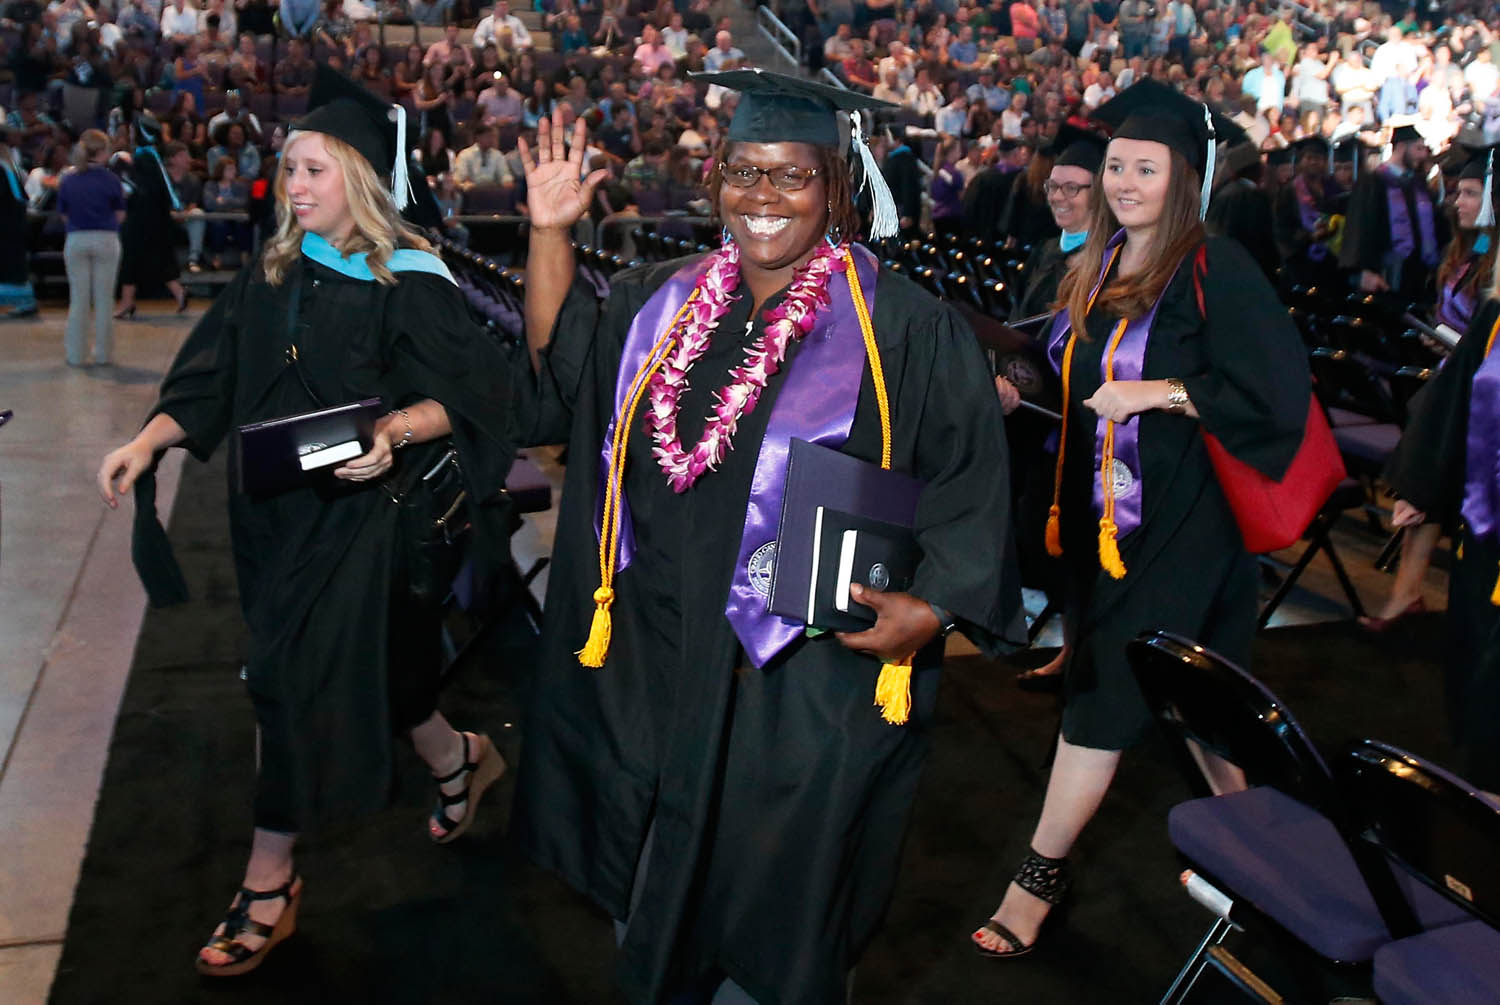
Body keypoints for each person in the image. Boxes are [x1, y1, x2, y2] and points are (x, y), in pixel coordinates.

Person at [514, 69, 1023, 1002]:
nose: (763, 198)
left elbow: (970, 484)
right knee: (654, 872)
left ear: (835, 187)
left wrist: (936, 607)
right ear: (714, 182)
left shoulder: (903, 330)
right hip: (659, 656)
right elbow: (561, 382)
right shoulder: (655, 305)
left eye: (791, 177)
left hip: (799, 678)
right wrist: (549, 231)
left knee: (779, 906)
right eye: (744, 173)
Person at [96, 67, 516, 978]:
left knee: (282, 683)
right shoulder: (274, 271)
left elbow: (485, 398)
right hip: (273, 520)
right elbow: (209, 376)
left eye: (315, 170)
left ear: (360, 176)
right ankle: (460, 759)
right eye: (290, 168)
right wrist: (151, 440)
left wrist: (398, 427)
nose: (295, 186)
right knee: (393, 675)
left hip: (367, 523)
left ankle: (270, 881)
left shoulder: (408, 278)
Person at [972, 80, 1312, 958]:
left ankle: (1036, 877)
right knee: (1193, 693)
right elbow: (1075, 372)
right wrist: (1024, 388)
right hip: (1104, 522)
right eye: (1116, 164)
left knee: (1106, 690)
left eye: (1143, 168)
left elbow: (1274, 390)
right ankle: (1256, 846)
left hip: (1185, 520)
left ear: (1183, 179)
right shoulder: (1101, 262)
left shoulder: (1214, 267)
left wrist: (1157, 394)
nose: (1123, 180)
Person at [1382, 201, 1500, 793]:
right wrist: (1424, 483)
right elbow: (1459, 396)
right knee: (1482, 662)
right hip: (1489, 526)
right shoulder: (1496, 311)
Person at [1365, 146, 1500, 633]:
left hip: (1481, 399)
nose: (1456, 202)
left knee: (1429, 450)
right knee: (1426, 436)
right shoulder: (1473, 250)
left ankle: (1407, 595)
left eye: (1469, 193)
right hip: (1455, 382)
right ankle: (1405, 594)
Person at [1340, 123, 1445, 300]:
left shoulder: (1419, 185)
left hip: (1418, 275)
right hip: (1384, 274)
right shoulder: (1373, 181)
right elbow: (1359, 227)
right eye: (1418, 148)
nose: (1423, 155)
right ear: (1402, 147)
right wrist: (1364, 269)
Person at [59, 128, 125, 364]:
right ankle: (103, 354)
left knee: (78, 299)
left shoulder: (68, 179)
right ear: (103, 152)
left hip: (77, 238)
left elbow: (64, 215)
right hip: (106, 238)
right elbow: (120, 214)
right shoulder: (111, 179)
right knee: (104, 299)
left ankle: (76, 355)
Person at [115, 117, 188, 318]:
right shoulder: (153, 156)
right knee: (161, 259)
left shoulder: (143, 157)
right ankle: (180, 294)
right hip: (157, 218)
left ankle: (127, 302)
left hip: (141, 219)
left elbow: (138, 189)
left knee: (130, 260)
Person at [1273, 136, 1345, 293]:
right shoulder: (1289, 191)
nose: (1314, 162)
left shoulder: (1334, 188)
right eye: (1309, 158)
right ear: (1301, 161)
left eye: (1319, 158)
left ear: (1326, 162)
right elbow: (1283, 229)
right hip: (1301, 262)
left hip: (1332, 262)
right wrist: (1310, 237)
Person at [0, 124, 38, 319]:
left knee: (9, 263)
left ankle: (24, 302)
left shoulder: (3, 166)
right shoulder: (8, 164)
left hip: (6, 223)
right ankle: (25, 302)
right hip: (13, 221)